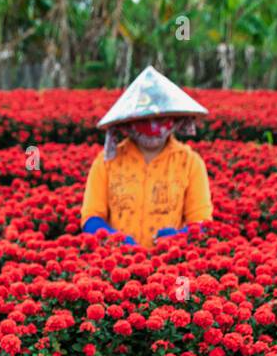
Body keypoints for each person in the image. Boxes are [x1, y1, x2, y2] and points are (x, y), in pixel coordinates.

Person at [80, 65, 212, 249]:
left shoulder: (190, 163)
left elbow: (201, 221)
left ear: (175, 119)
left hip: (172, 264)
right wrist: (115, 240)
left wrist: (179, 238)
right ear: (127, 122)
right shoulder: (106, 162)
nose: (153, 127)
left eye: (161, 119)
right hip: (115, 262)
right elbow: (90, 217)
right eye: (144, 120)